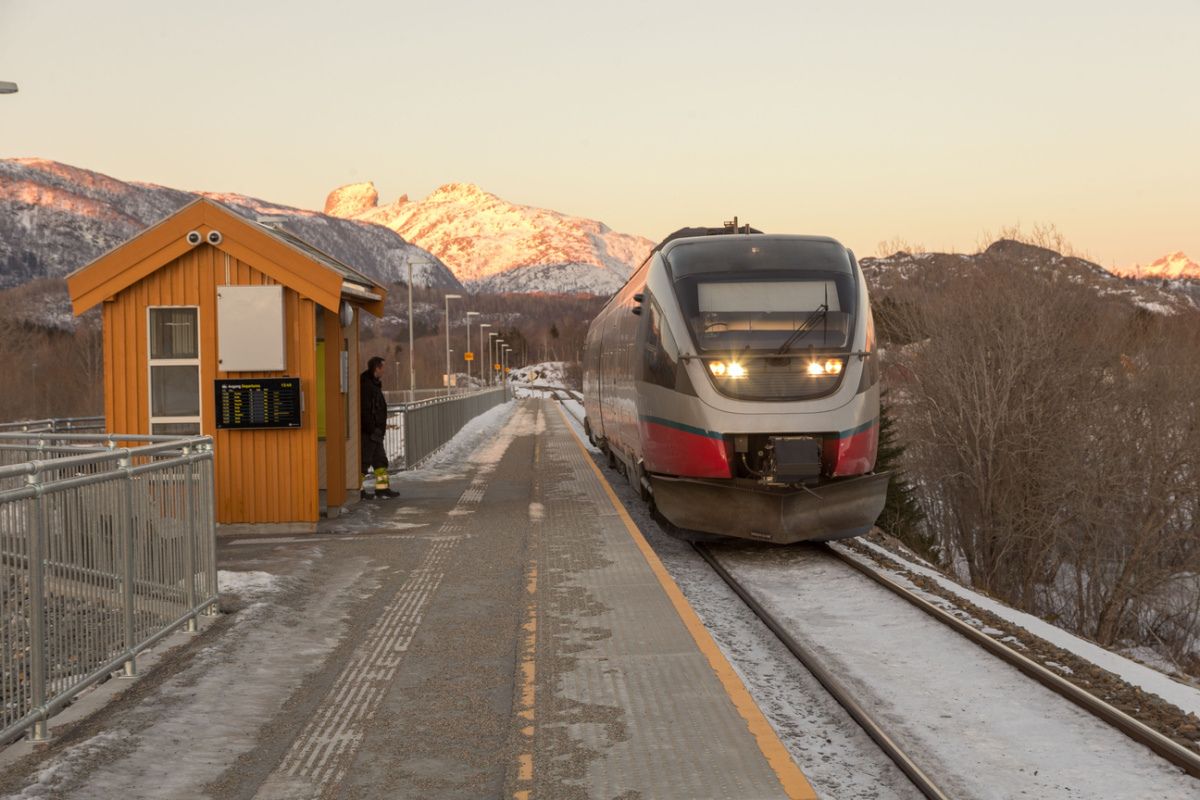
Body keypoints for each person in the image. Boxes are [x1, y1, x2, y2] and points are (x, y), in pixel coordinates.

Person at [360, 356, 398, 499]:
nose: (384, 371)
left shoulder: (373, 384)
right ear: (377, 368)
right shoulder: (366, 385)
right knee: (364, 462)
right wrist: (372, 429)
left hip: (375, 432)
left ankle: (382, 489)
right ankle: (356, 491)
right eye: (383, 367)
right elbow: (365, 410)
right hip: (369, 432)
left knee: (380, 461)